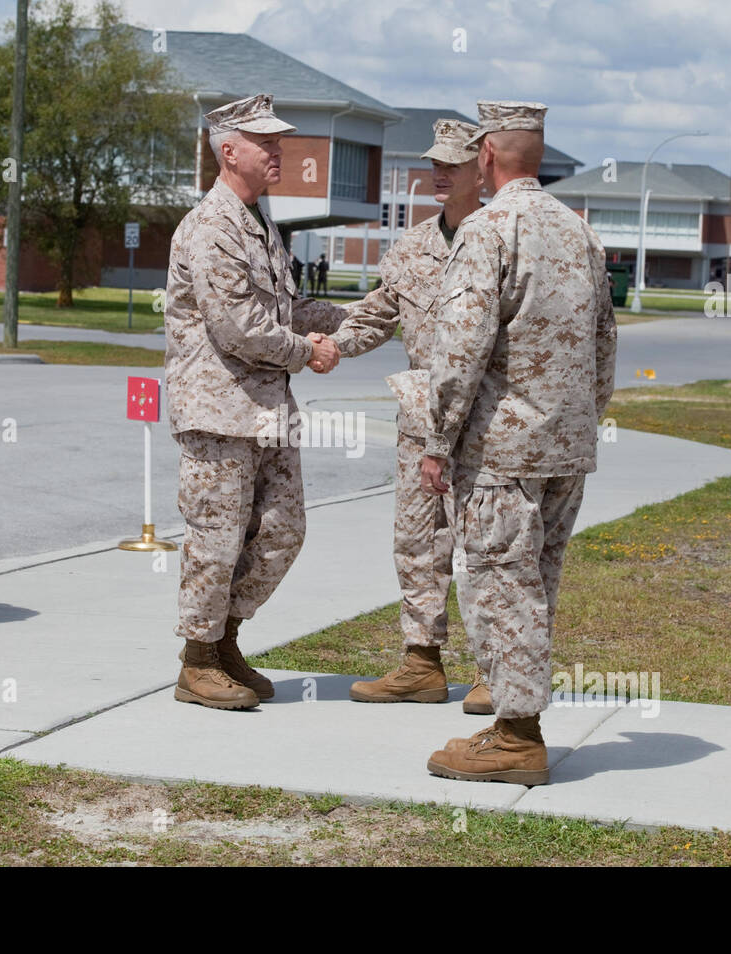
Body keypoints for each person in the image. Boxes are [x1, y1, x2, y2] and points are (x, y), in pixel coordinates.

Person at [420, 102, 617, 785]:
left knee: (502, 589)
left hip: (501, 453)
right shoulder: (579, 233)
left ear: (486, 159)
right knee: (537, 586)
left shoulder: (487, 230)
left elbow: (459, 351)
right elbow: (603, 347)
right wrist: (583, 422)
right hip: (565, 448)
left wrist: (436, 439)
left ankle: (515, 738)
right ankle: (516, 719)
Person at [165, 94, 345, 710]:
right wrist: (308, 351)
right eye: (265, 142)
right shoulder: (212, 227)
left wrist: (359, 317)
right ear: (228, 149)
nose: (278, 152)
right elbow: (238, 326)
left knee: (281, 530)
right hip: (218, 412)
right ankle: (196, 659)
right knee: (216, 537)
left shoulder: (261, 223)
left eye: (279, 141)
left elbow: (282, 312)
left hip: (265, 413)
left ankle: (224, 641)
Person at [325, 119, 494, 713]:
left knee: (486, 545)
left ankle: (492, 670)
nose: (438, 173)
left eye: (452, 163)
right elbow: (376, 314)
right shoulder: (412, 246)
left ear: (484, 166)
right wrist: (326, 348)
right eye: (434, 163)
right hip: (422, 419)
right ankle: (421, 662)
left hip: (486, 422)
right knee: (418, 541)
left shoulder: (500, 238)